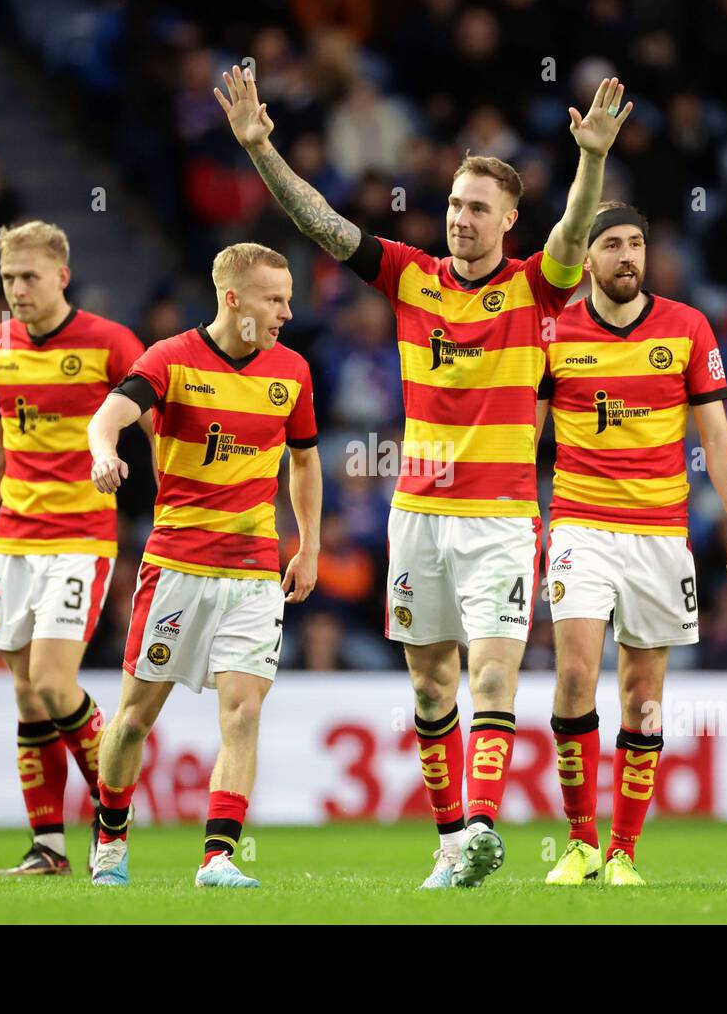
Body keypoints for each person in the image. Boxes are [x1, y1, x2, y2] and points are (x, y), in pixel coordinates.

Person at [216, 65, 632, 888]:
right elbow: (325, 224)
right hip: (416, 515)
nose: (460, 219)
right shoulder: (411, 275)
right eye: (452, 205)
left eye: (477, 208)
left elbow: (575, 237)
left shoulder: (534, 287)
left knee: (490, 673)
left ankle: (481, 821)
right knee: (431, 682)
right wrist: (262, 148)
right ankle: (451, 847)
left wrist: (591, 161)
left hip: (503, 519)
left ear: (509, 220)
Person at [86, 243, 321, 888]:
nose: (287, 311)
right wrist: (104, 453)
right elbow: (108, 415)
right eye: (275, 299)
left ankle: (218, 857)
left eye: (289, 297)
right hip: (176, 566)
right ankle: (108, 837)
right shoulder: (171, 360)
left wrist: (309, 542)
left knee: (244, 711)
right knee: (134, 718)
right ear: (233, 299)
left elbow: (304, 458)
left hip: (253, 570)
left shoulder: (293, 371)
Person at [537, 202, 727, 886]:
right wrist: (519, 518)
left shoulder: (687, 327)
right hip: (580, 522)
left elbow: (715, 435)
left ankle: (624, 850)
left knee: (643, 696)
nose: (628, 256)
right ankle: (578, 840)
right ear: (589, 257)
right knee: (574, 674)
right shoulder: (556, 331)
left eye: (637, 243)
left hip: (661, 531)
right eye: (613, 245)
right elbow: (524, 434)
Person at [0, 220, 149, 876]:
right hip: (15, 535)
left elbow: (158, 417)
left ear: (61, 277)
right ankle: (50, 846)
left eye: (30, 277)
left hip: (81, 535)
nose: (17, 290)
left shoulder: (109, 342)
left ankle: (112, 802)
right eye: (9, 278)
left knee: (50, 680)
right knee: (25, 693)